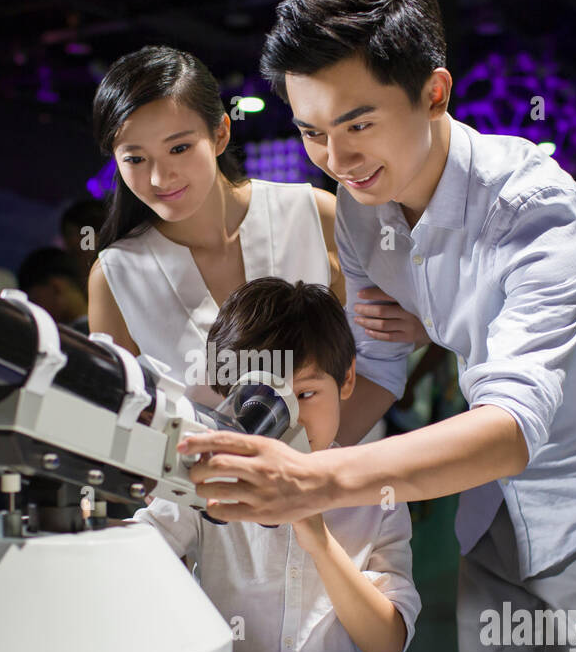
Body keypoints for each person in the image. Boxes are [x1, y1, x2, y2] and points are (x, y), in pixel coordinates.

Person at [179, 0, 576, 652]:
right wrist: (274, 447)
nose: (337, 160)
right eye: (312, 132)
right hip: (490, 500)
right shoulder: (360, 210)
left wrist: (307, 480)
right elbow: (379, 368)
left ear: (435, 92)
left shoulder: (535, 209)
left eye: (358, 125)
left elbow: (513, 425)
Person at [86, 43, 424, 422]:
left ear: (220, 134)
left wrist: (422, 327)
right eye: (135, 159)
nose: (160, 177)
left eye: (179, 148)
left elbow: (402, 336)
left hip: (340, 464)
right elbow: (120, 419)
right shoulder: (116, 276)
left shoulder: (316, 215)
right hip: (206, 479)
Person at [133, 278, 420, 652]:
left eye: (305, 395)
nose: (290, 421)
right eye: (261, 398)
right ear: (230, 395)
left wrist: (318, 539)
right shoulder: (210, 479)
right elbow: (137, 557)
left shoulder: (375, 496)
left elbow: (386, 645)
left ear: (346, 379)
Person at [16, 246, 89, 333]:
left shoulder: (61, 342)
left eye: (35, 300)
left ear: (56, 288)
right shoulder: (106, 326)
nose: (33, 312)